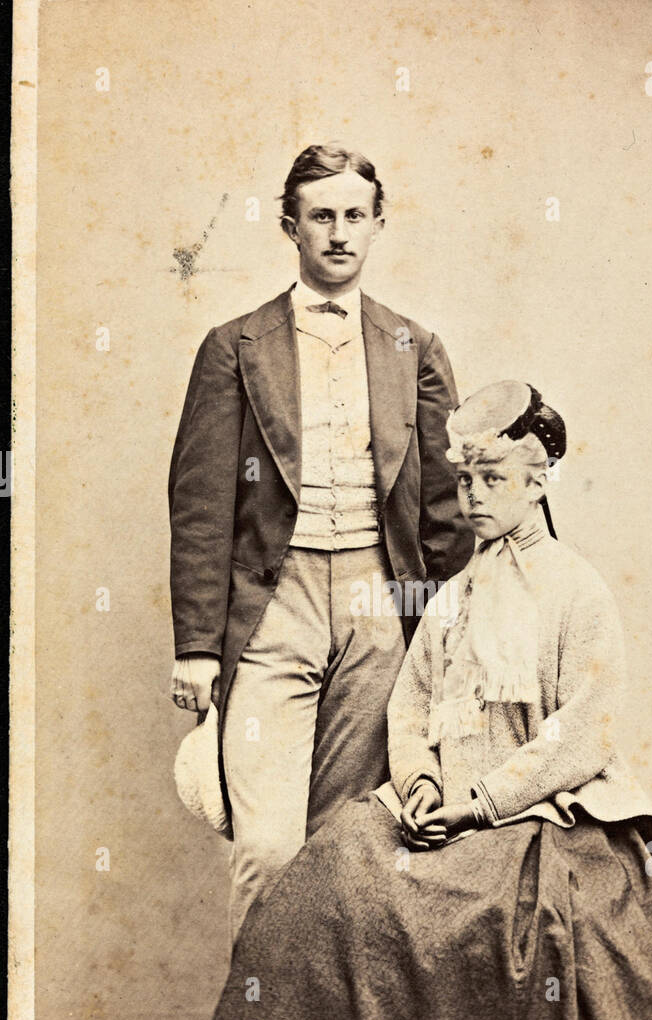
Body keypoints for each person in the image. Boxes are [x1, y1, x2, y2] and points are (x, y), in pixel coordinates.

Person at [175, 380, 652, 1020]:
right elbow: (408, 711)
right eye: (468, 480)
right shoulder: (451, 597)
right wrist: (417, 789)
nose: (475, 496)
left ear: (539, 480)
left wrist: (480, 803)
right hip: (437, 808)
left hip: (548, 815)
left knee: (525, 926)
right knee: (323, 882)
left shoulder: (577, 591)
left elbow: (582, 733)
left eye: (495, 480)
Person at [168, 144, 474, 939]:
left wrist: (448, 640)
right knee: (270, 848)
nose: (338, 234)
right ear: (289, 226)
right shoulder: (234, 346)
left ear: (378, 224)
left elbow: (445, 511)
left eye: (353, 216)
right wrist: (198, 645)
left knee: (351, 844)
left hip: (385, 607)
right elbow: (200, 504)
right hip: (274, 609)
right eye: (320, 217)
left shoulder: (416, 346)